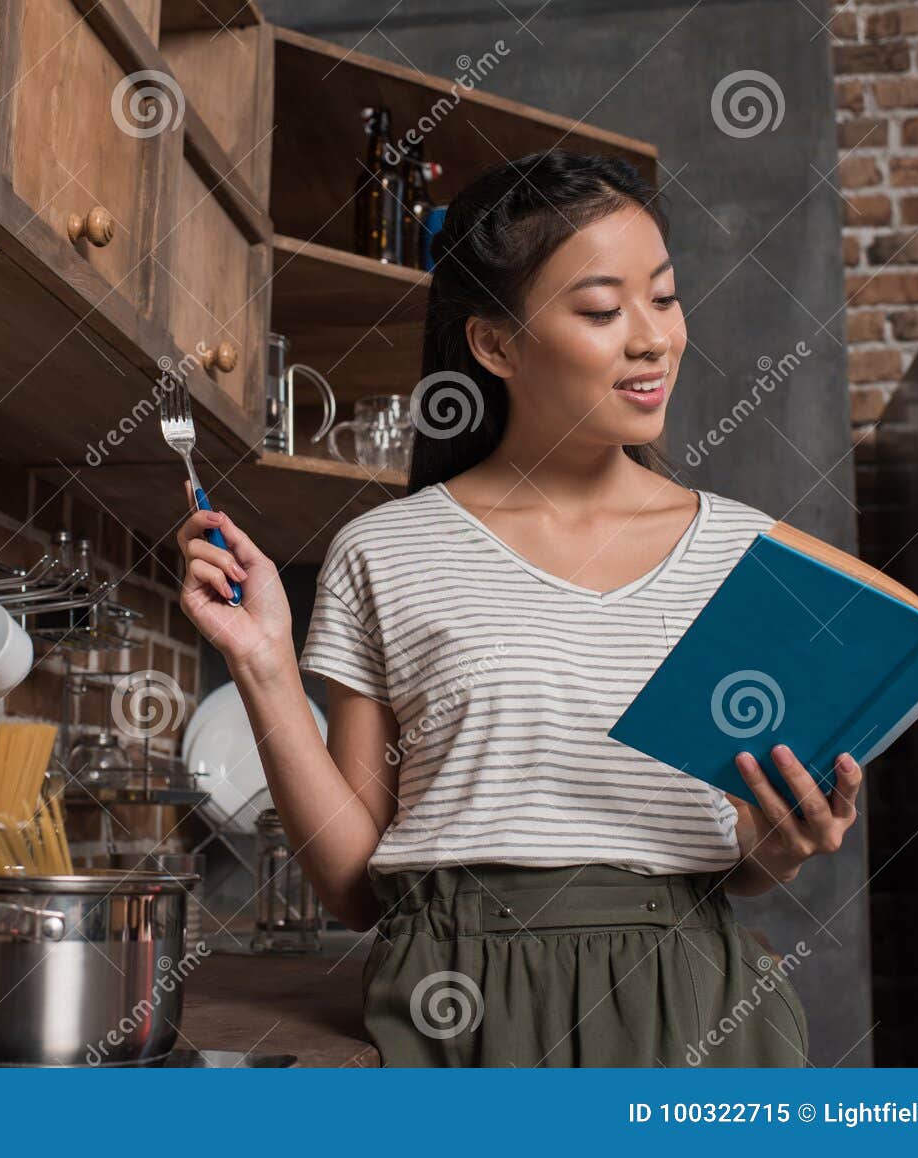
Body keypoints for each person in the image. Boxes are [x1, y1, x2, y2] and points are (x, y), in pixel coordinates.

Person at [173, 150, 860, 1067]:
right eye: (603, 310)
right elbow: (355, 886)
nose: (652, 337)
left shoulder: (747, 554)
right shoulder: (386, 553)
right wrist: (262, 663)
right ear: (495, 345)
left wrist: (782, 847)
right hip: (450, 1008)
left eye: (664, 296)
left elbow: (738, 862)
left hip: (696, 1001)